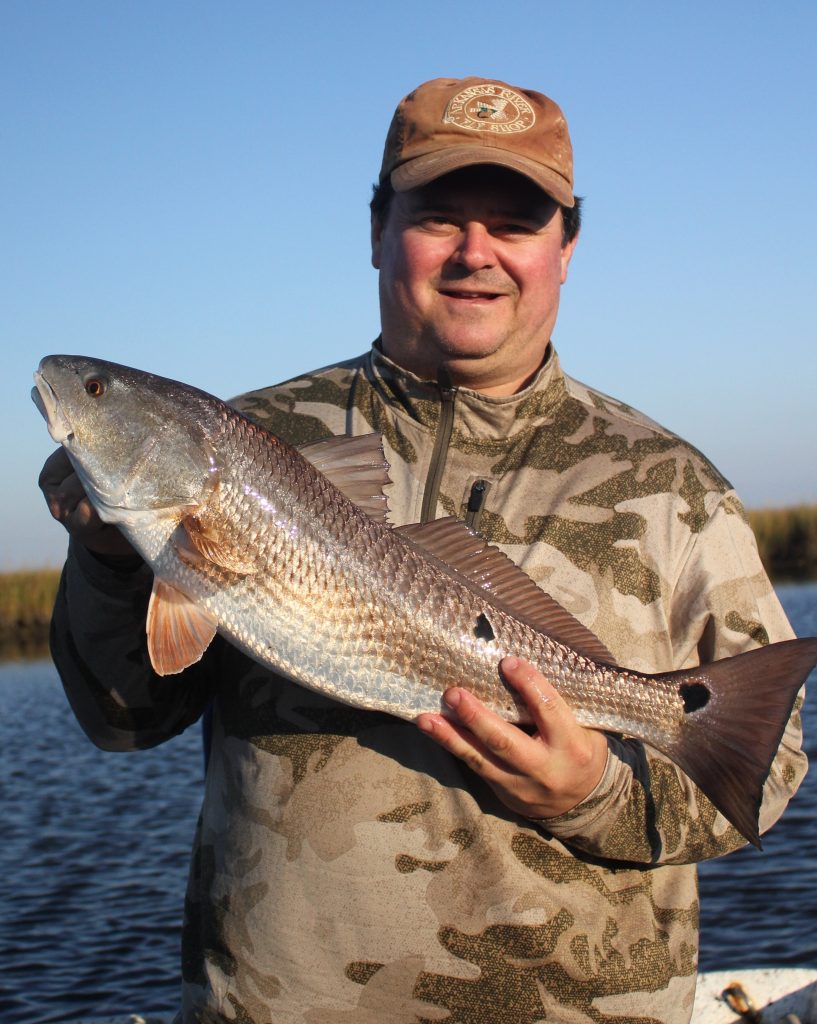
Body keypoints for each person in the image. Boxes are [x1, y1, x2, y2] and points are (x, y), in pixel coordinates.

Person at [39, 76, 806, 1024]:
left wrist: (594, 792)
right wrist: (112, 564)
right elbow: (125, 720)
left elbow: (759, 774)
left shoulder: (674, 486)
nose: (475, 252)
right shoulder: (256, 435)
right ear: (375, 230)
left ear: (567, 248)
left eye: (516, 223)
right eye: (438, 216)